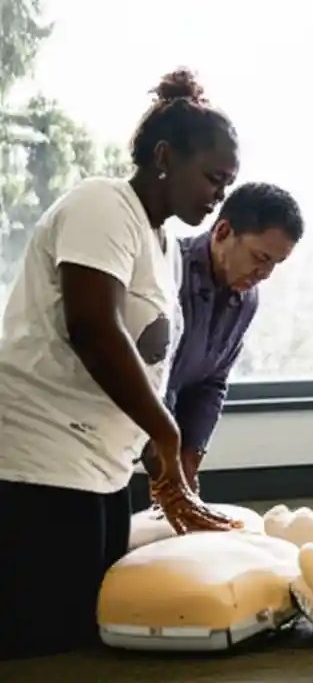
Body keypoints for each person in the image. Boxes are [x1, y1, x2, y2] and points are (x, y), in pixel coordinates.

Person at [0, 69, 242, 659]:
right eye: (213, 178)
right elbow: (92, 327)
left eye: (228, 184)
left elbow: (149, 360)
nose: (219, 195)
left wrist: (159, 456)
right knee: (44, 641)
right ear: (165, 157)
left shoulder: (166, 247)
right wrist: (165, 431)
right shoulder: (101, 204)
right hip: (39, 454)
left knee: (94, 624)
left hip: (102, 466)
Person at [137, 182, 304, 497]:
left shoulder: (247, 300)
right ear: (223, 231)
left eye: (275, 264)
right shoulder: (165, 274)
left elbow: (212, 382)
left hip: (163, 440)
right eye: (260, 257)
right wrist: (169, 461)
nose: (265, 273)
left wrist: (191, 457)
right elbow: (153, 376)